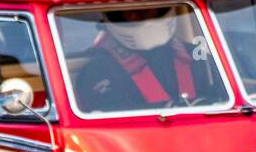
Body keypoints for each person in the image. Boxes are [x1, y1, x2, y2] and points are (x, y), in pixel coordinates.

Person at [76, 7, 219, 113]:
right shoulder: (98, 69)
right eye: (130, 11)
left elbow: (225, 101)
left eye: (149, 9)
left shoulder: (197, 55)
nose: (139, 15)